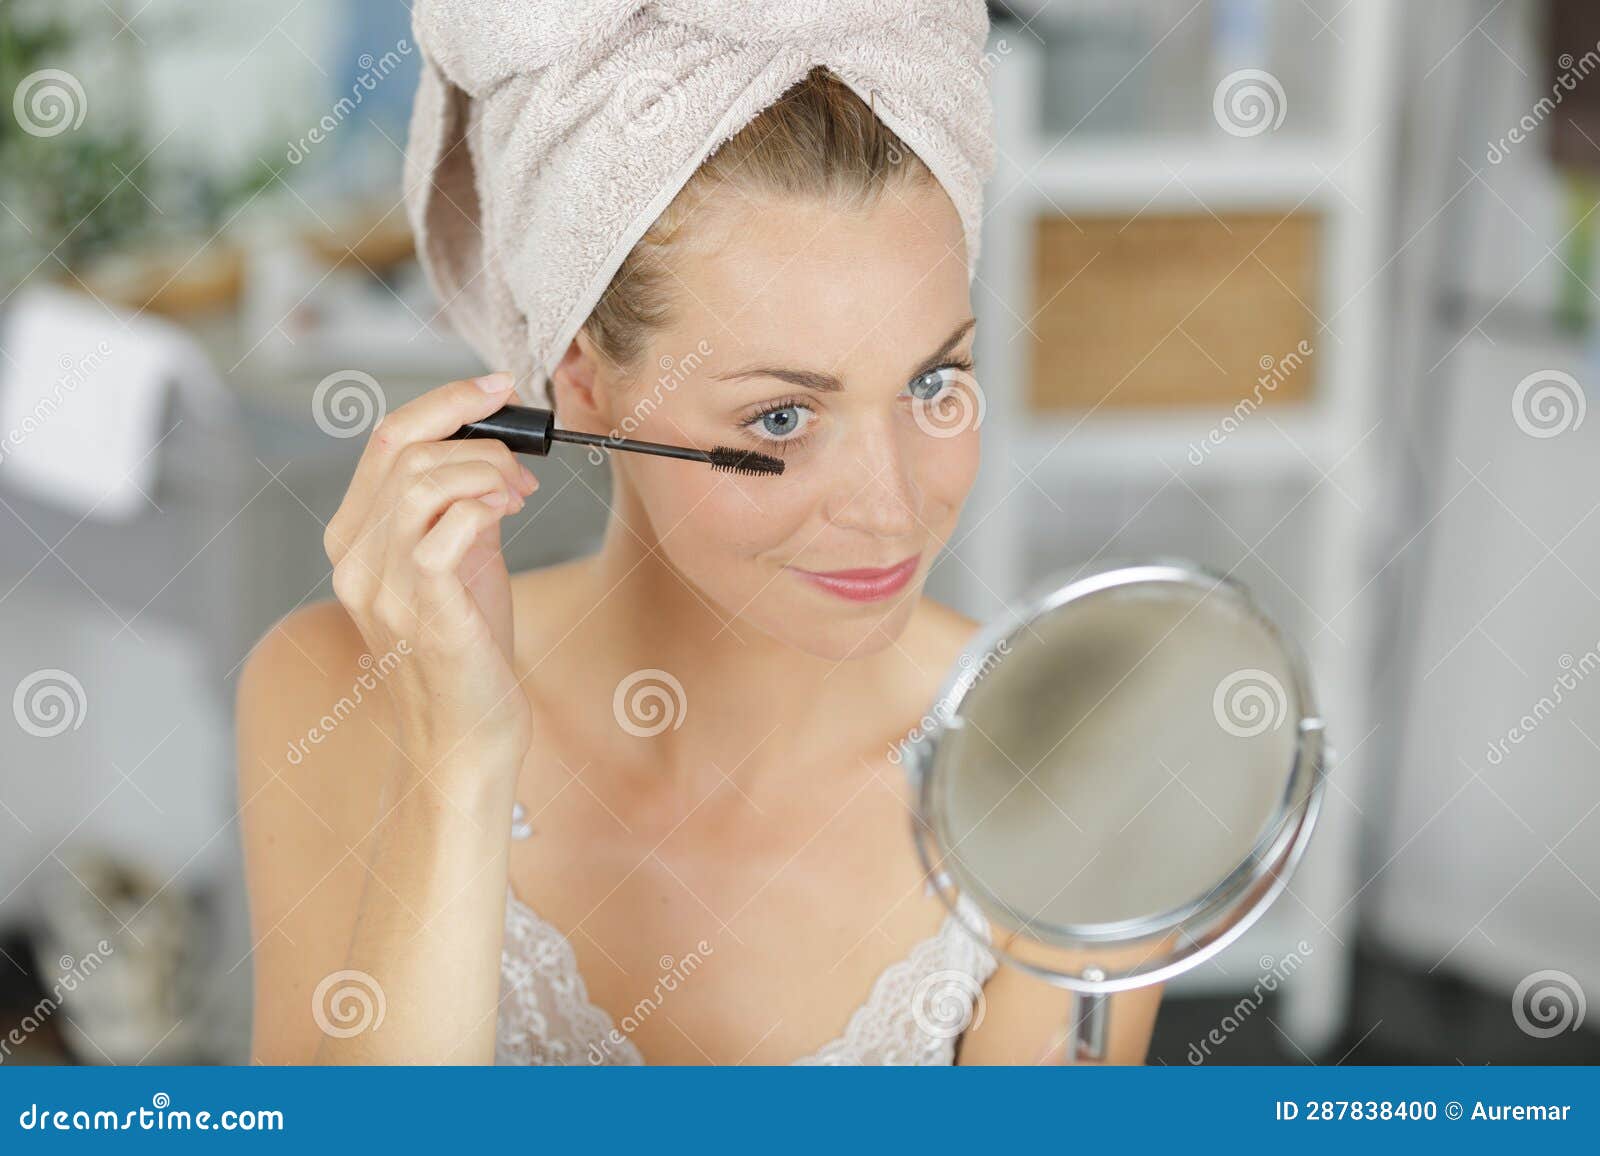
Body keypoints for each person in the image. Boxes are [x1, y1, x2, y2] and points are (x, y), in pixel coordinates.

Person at [237, 59, 1161, 1066]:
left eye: (932, 380)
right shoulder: (337, 689)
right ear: (583, 383)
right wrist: (457, 768)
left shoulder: (1062, 775)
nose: (890, 507)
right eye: (781, 416)